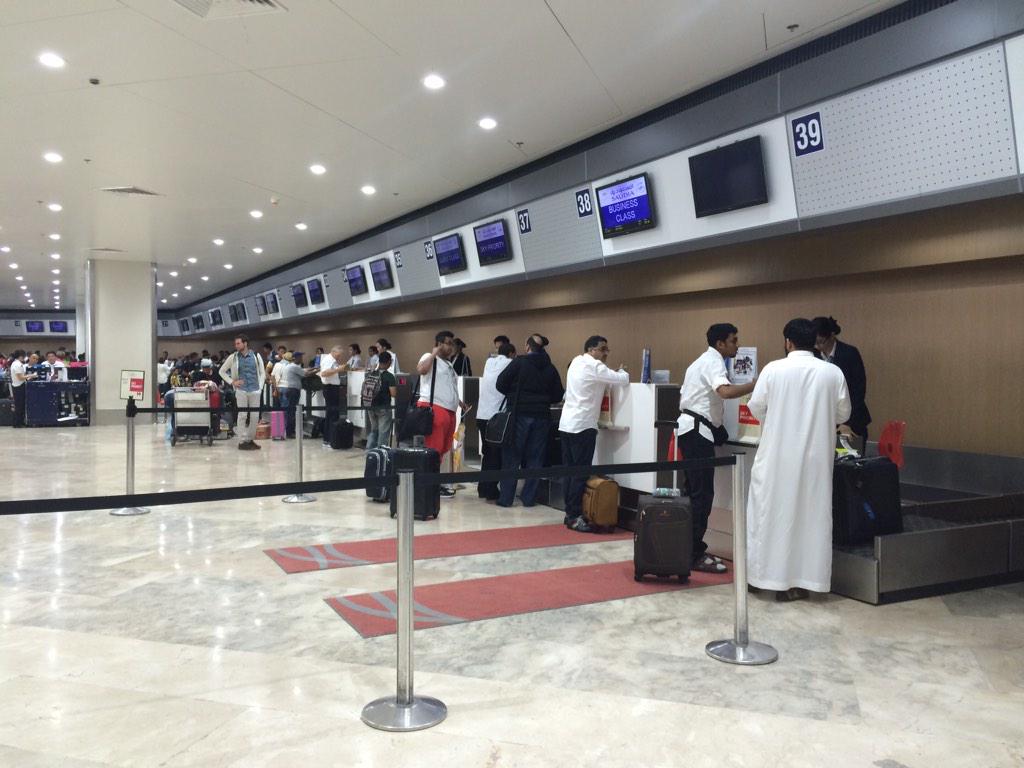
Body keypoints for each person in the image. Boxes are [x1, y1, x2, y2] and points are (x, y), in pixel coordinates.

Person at [746, 318, 852, 601]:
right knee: (811, 519)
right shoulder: (832, 373)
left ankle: (762, 578)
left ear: (787, 342)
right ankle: (804, 581)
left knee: (769, 517)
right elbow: (843, 414)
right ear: (815, 341)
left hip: (776, 458)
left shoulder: (773, 370)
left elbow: (756, 407)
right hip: (815, 461)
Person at [677, 323, 757, 574]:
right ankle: (693, 553)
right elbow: (724, 391)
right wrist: (755, 383)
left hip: (692, 430)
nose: (737, 344)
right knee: (702, 495)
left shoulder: (699, 362)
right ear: (720, 343)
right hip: (696, 433)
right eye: (733, 340)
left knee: (694, 493)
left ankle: (688, 548)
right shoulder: (713, 362)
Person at [558, 335, 630, 532]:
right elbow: (622, 380)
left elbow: (602, 379)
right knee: (580, 473)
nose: (606, 353)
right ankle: (575, 516)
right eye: (603, 349)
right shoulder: (595, 367)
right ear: (591, 350)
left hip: (566, 424)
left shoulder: (576, 362)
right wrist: (622, 371)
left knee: (569, 472)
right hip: (583, 426)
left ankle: (569, 513)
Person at [496, 334, 564, 507]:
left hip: (519, 414)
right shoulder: (550, 368)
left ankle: (506, 499)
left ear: (527, 347)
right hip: (542, 416)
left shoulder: (519, 363)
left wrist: (513, 395)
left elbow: (500, 383)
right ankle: (528, 498)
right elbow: (558, 394)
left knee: (512, 456)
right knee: (536, 458)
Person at [416, 331, 470, 499]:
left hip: (449, 410)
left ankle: (437, 483)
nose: (451, 346)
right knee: (434, 448)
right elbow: (421, 370)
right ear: (439, 343)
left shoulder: (448, 364)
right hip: (435, 408)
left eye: (452, 343)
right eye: (447, 343)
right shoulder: (429, 357)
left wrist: (460, 402)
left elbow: (449, 386)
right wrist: (434, 353)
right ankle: (431, 484)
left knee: (444, 449)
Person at [813, 316, 871, 454]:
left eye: (820, 342)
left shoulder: (849, 353)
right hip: (824, 420)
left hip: (851, 420)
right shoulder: (813, 355)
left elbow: (858, 390)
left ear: (832, 336)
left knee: (847, 465)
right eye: (814, 342)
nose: (817, 346)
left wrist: (847, 422)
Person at [476, 342, 515, 500]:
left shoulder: (489, 362)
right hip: (496, 417)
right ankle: (490, 489)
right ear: (512, 353)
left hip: (481, 415)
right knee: (496, 455)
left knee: (487, 454)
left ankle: (483, 488)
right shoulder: (511, 363)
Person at [218, 335, 266, 451]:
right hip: (241, 390)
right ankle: (241, 441)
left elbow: (262, 372)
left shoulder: (256, 355)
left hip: (255, 390)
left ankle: (250, 439)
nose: (236, 346)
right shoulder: (233, 357)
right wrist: (232, 382)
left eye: (238, 343)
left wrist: (260, 387)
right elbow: (222, 371)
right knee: (242, 415)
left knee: (255, 416)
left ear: (245, 343)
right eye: (235, 344)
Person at [366, 351, 398, 450]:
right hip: (383, 408)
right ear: (389, 362)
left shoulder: (371, 374)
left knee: (374, 430)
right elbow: (393, 394)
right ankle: (380, 453)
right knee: (383, 432)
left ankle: (369, 452)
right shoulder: (389, 376)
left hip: (371, 406)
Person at [318, 345, 345, 446]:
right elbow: (324, 373)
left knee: (333, 414)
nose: (339, 357)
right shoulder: (329, 360)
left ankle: (330, 438)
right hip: (330, 388)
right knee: (332, 414)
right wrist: (338, 369)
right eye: (339, 354)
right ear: (333, 352)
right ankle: (328, 438)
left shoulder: (332, 360)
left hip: (332, 388)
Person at [278, 352, 307, 439]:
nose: (302, 359)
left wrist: (314, 368)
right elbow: (305, 374)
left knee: (290, 411)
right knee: (291, 412)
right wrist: (317, 370)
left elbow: (304, 370)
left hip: (290, 390)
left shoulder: (291, 366)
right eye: (300, 357)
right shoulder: (293, 367)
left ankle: (290, 431)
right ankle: (290, 432)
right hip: (293, 391)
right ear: (295, 358)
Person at [8, 350, 37, 427]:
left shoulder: (15, 363)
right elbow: (20, 377)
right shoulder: (18, 365)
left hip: (17, 385)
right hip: (19, 386)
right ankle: (17, 423)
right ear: (21, 356)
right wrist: (32, 376)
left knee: (19, 405)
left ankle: (19, 422)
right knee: (19, 406)